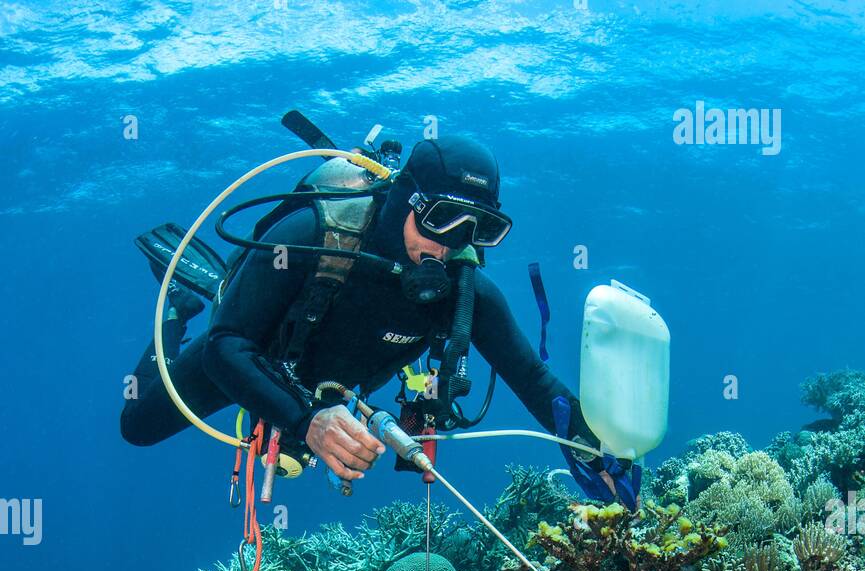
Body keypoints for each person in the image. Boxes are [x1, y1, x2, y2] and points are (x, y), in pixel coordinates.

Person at [121, 134, 639, 508]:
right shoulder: (313, 237)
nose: (447, 245)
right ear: (403, 198)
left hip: (327, 390)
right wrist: (306, 422)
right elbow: (225, 347)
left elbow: (533, 379)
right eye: (439, 218)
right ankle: (176, 311)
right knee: (137, 427)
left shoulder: (463, 291)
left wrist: (594, 451)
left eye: (475, 230)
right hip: (257, 355)